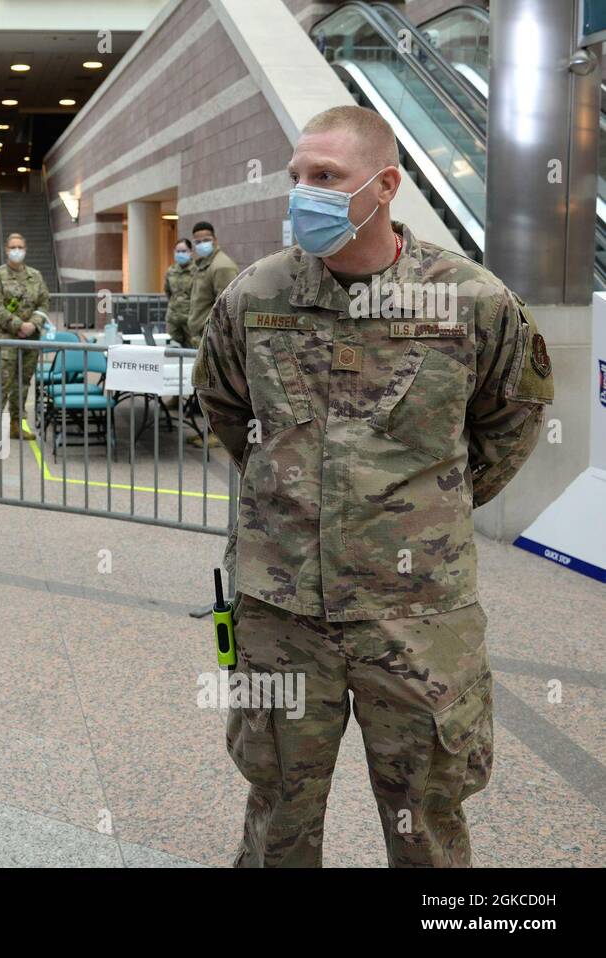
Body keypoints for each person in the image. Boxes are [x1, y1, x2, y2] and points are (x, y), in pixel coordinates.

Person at [193, 104, 552, 867]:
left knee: (427, 816)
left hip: (416, 616)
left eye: (326, 178)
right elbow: (227, 415)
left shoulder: (472, 303)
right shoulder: (254, 300)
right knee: (277, 813)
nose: (302, 195)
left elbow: (511, 425)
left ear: (384, 185)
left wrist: (420, 513)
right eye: (297, 177)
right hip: (281, 611)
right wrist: (295, 496)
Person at [0, 232, 49, 440]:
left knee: (22, 384)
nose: (17, 251)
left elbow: (44, 303)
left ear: (25, 249)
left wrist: (34, 325)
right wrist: (19, 325)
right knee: (2, 383)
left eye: (20, 247)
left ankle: (16, 425)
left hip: (30, 339)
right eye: (13, 247)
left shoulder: (35, 276)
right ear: (6, 250)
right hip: (4, 339)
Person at [186, 220, 238, 350]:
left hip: (212, 339)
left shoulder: (221, 266)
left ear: (215, 240)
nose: (201, 244)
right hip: (201, 336)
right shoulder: (203, 264)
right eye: (197, 242)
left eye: (206, 240)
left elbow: (226, 308)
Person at [163, 238, 195, 346]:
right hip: (173, 320)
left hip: (190, 319)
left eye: (184, 251)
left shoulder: (197, 271)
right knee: (173, 353)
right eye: (178, 251)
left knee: (192, 352)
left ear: (191, 252)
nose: (180, 254)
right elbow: (168, 292)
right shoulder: (171, 271)